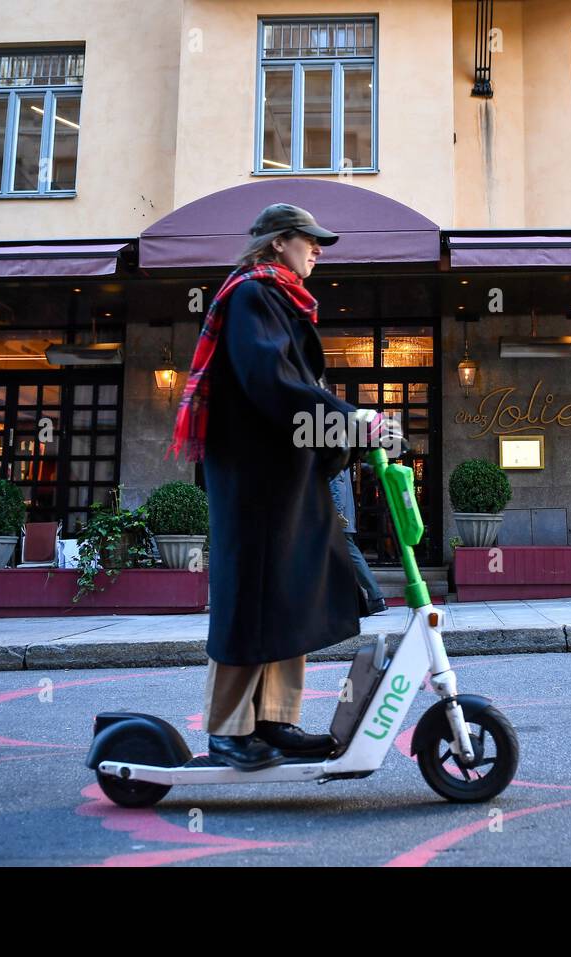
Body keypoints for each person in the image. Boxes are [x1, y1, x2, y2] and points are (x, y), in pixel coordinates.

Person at [168, 202, 403, 771]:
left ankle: (273, 720)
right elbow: (272, 383)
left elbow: (293, 388)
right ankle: (229, 729)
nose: (317, 249)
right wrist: (351, 419)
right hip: (256, 479)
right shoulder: (253, 294)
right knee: (250, 597)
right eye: (309, 240)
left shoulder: (279, 299)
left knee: (289, 592)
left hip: (283, 474)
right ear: (277, 243)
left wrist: (339, 435)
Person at [329, 466, 387, 615]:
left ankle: (375, 597)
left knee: (350, 555)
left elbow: (337, 482)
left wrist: (337, 514)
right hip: (335, 515)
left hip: (335, 517)